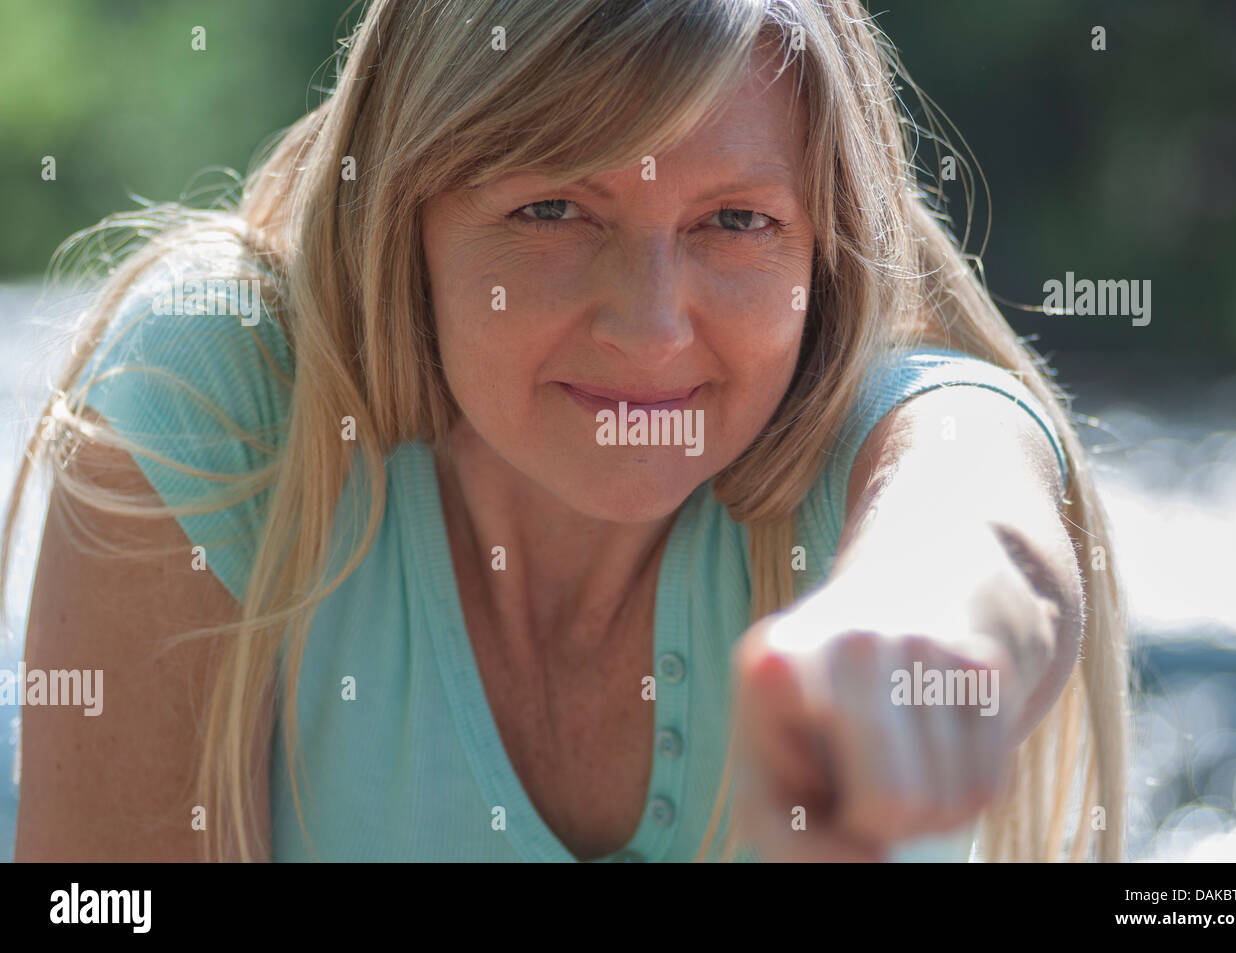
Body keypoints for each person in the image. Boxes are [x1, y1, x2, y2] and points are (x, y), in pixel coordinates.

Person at [6, 0, 1128, 862]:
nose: (650, 326)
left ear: (822, 251)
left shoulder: (902, 427)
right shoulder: (218, 391)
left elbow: (982, 537)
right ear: (400, 215)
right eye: (552, 210)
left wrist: (911, 638)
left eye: (736, 220)